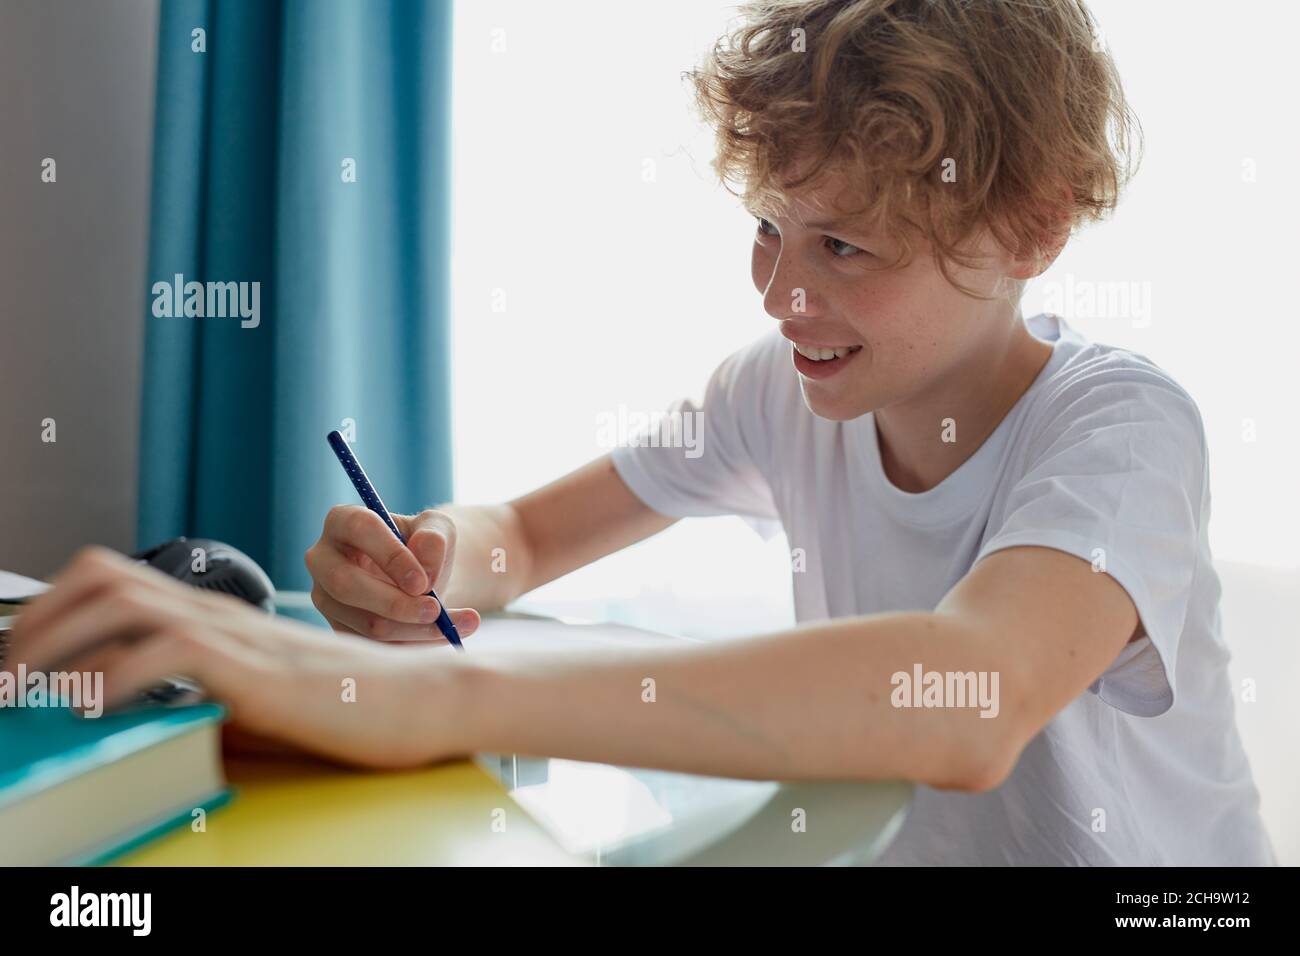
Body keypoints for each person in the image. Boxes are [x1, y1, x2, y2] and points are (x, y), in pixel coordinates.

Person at [5, 0, 1274, 864]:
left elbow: (969, 696)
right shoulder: (780, 385)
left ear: (1034, 228)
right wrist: (434, 555)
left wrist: (443, 693)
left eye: (843, 246)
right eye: (770, 229)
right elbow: (525, 534)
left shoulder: (1121, 429)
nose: (782, 293)